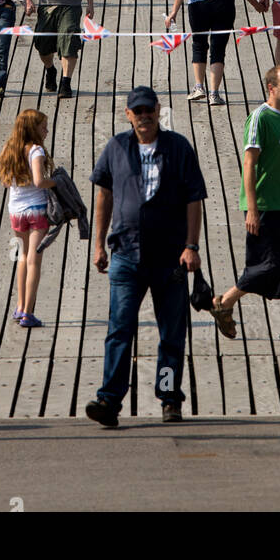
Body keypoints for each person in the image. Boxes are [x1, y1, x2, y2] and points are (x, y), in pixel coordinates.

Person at [86, 85, 206, 427]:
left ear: (158, 111)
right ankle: (109, 400)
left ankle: (169, 398)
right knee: (120, 328)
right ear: (128, 114)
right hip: (126, 254)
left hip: (170, 257)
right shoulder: (116, 148)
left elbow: (194, 198)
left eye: (149, 110)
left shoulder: (178, 147)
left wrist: (191, 245)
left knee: (171, 332)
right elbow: (103, 195)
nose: (144, 117)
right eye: (137, 111)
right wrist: (98, 244)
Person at [210, 66, 280, 343]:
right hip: (265, 205)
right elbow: (249, 164)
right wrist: (253, 209)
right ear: (271, 88)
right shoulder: (260, 118)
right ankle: (224, 301)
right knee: (269, 265)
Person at [0, 110, 57, 328]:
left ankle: (20, 306)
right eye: (43, 127)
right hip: (37, 211)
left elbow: (5, 182)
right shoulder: (36, 150)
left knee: (22, 257)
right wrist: (56, 182)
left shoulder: (9, 149)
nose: (47, 131)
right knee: (34, 260)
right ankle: (29, 313)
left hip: (16, 211)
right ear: (33, 129)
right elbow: (40, 181)